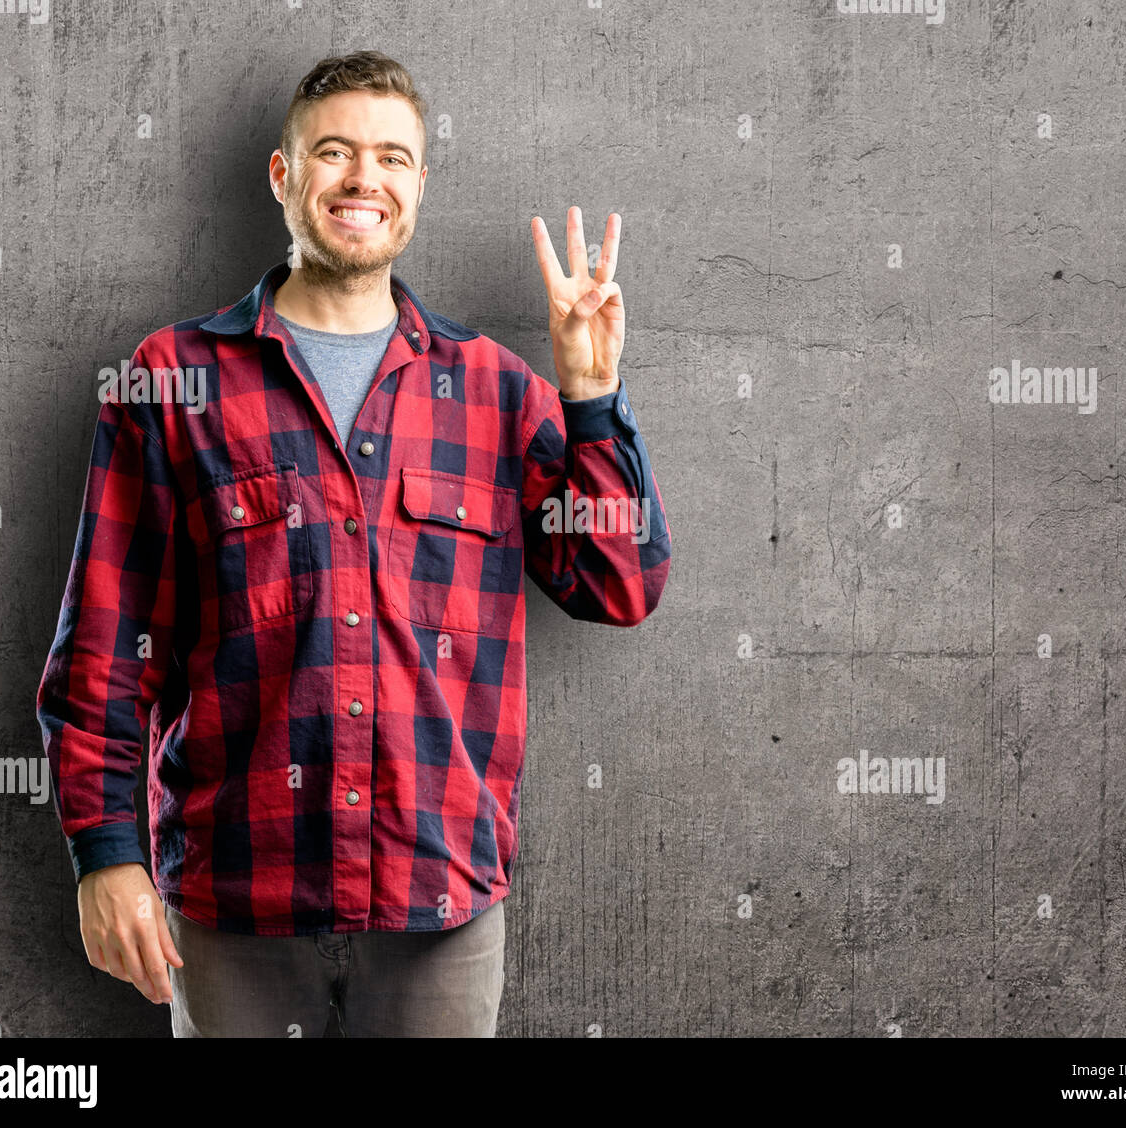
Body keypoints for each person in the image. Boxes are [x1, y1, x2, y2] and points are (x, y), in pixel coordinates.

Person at [35, 50, 671, 1037]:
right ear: (285, 178)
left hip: (440, 903)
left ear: (418, 186)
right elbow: (108, 647)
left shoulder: (497, 391)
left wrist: (589, 396)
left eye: (390, 157)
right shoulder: (171, 378)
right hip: (233, 901)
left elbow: (619, 584)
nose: (362, 177)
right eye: (332, 153)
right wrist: (106, 853)